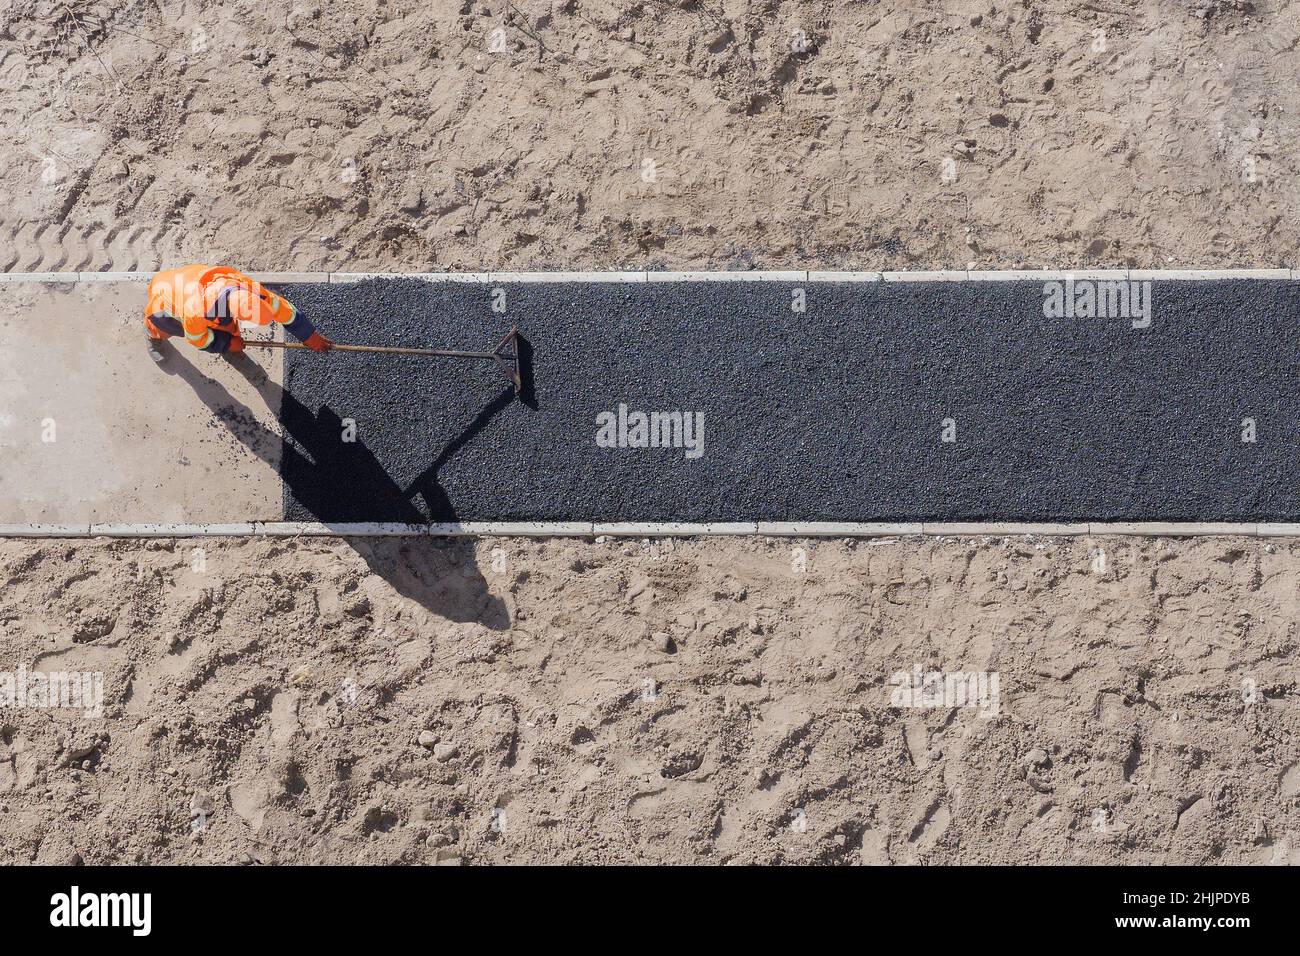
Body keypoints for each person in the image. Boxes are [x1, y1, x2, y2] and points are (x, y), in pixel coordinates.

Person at [143, 264, 332, 357]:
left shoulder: (249, 290)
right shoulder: (196, 312)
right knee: (162, 328)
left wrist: (308, 335)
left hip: (189, 279)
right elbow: (198, 340)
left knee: (228, 330)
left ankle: (230, 347)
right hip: (165, 302)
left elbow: (285, 312)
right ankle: (151, 335)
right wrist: (226, 344)